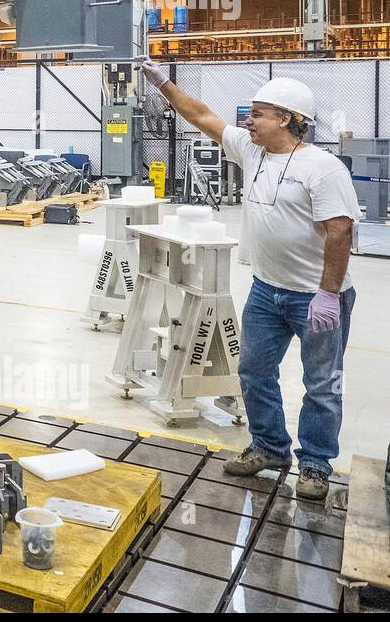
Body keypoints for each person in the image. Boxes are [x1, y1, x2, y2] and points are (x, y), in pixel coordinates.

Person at [143, 61, 359, 501]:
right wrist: (163, 83)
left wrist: (328, 294)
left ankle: (316, 464)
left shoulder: (323, 167)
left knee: (321, 382)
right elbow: (201, 115)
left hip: (316, 296)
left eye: (258, 113)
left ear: (286, 119)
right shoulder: (251, 151)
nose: (248, 119)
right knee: (254, 371)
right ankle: (270, 447)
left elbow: (341, 230)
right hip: (266, 290)